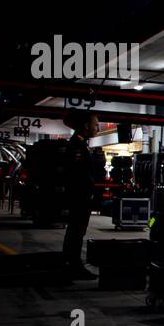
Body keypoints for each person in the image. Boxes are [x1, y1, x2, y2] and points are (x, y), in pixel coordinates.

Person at [62, 110, 99, 279]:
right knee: (76, 231)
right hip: (79, 197)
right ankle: (73, 264)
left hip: (81, 196)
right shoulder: (77, 146)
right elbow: (78, 174)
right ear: (86, 126)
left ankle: (71, 262)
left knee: (77, 231)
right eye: (96, 124)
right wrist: (86, 193)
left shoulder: (82, 144)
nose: (98, 128)